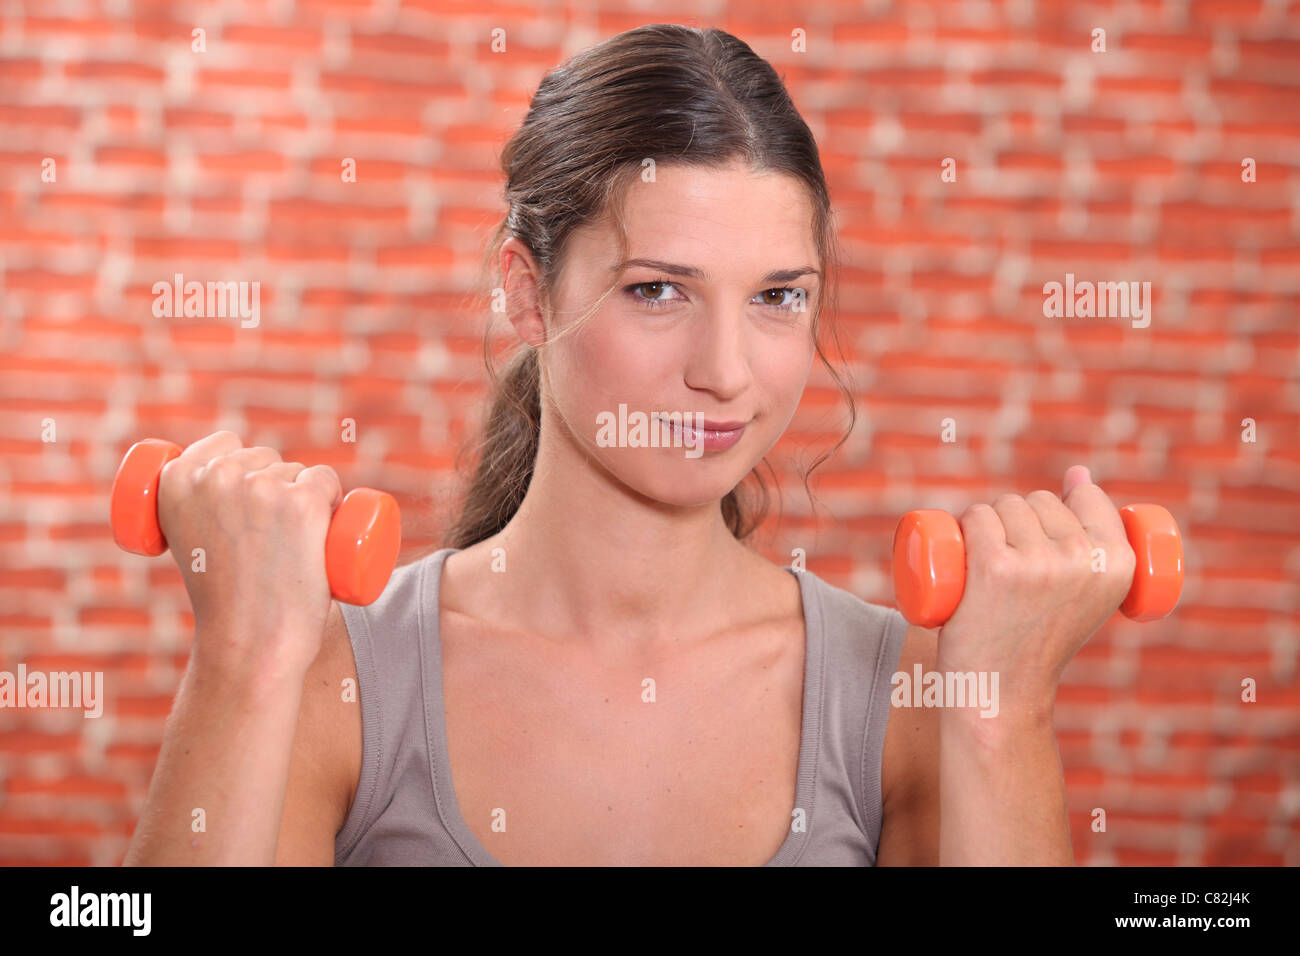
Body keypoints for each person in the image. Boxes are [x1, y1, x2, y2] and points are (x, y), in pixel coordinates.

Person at [123, 24, 1136, 867]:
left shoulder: (909, 692)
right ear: (528, 293)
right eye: (658, 289)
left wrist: (1002, 710)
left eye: (778, 297)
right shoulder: (338, 680)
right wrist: (242, 659)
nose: (727, 371)